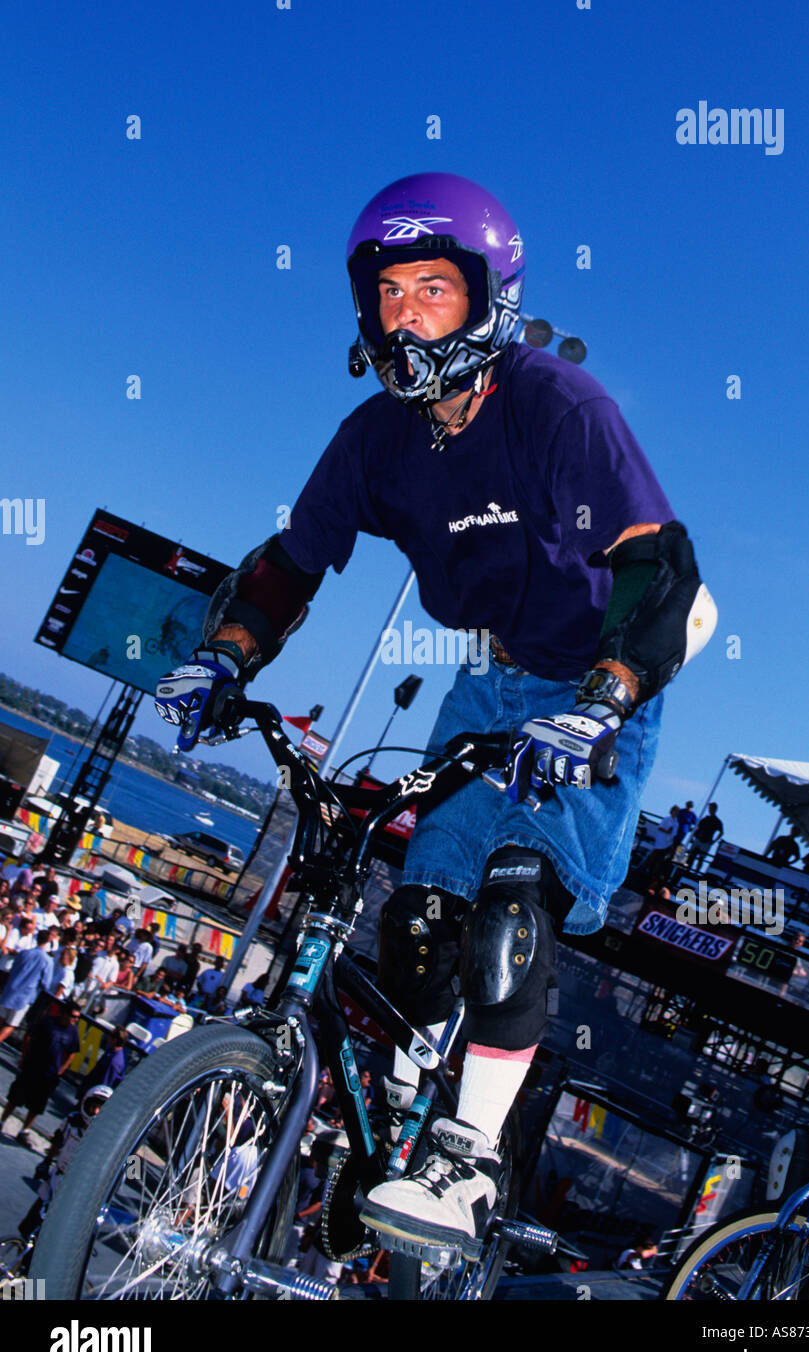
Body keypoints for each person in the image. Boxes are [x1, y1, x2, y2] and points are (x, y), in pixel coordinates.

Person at [154, 171, 717, 1255]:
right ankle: (402, 1125)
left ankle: (465, 1161)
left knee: (513, 903)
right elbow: (289, 563)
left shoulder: (559, 405)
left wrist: (601, 701)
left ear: (487, 298)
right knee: (418, 922)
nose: (406, 315)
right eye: (389, 294)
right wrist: (221, 658)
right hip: (485, 686)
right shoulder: (375, 440)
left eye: (433, 289)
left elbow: (661, 571)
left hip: (597, 682)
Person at [17, 1085, 112, 1239]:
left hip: (77, 1191)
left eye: (100, 1109)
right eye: (93, 1107)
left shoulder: (107, 1137)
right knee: (30, 1226)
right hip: (56, 1178)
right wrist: (46, 1162)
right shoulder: (72, 1121)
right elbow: (58, 1140)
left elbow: (131, 1164)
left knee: (51, 1234)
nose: (95, 1112)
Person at [0, 1000, 82, 1147]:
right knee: (16, 1097)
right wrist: (24, 1057)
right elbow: (28, 1037)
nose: (75, 1020)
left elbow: (71, 1053)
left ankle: (24, 1131)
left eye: (77, 1017)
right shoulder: (47, 1022)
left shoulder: (73, 1032)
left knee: (36, 1105)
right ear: (63, 1013)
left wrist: (60, 1070)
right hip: (32, 1066)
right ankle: (2, 1121)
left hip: (49, 1075)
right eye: (73, 1016)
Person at [0, 929, 54, 1047]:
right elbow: (46, 983)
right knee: (11, 1024)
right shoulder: (47, 960)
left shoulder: (24, 953)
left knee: (1, 1019)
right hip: (25, 996)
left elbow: (13, 968)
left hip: (10, 990)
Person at [686, 802, 724, 871]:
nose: (710, 810)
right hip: (698, 839)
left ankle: (696, 872)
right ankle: (687, 868)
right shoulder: (705, 819)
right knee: (691, 855)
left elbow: (721, 832)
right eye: (709, 808)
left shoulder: (717, 821)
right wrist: (692, 837)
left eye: (711, 808)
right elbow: (698, 827)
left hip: (706, 841)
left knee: (701, 858)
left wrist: (714, 841)